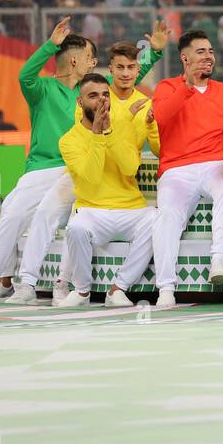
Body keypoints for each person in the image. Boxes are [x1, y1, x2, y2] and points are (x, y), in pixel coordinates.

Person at [6, 23, 165, 305]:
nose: (126, 74)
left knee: (84, 217)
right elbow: (88, 164)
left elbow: (133, 161)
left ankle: (79, 286)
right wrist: (103, 130)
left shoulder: (138, 104)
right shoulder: (97, 98)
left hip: (119, 188)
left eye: (131, 69)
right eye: (118, 68)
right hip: (80, 174)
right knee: (53, 214)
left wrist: (154, 53)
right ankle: (31, 283)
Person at [0, 19, 95, 303]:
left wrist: (154, 54)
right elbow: (25, 75)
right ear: (74, 60)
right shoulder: (42, 90)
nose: (93, 63)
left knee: (32, 213)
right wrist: (50, 45)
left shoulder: (89, 93)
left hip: (74, 170)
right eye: (89, 58)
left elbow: (127, 79)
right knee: (12, 212)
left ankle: (15, 281)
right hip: (41, 168)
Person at [50, 41, 163, 301]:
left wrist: (116, 127)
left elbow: (130, 167)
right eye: (94, 97)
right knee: (74, 227)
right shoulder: (69, 140)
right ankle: (79, 289)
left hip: (129, 207)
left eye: (104, 96)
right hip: (92, 208)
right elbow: (90, 174)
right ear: (81, 103)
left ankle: (119, 287)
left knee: (158, 219)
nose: (102, 101)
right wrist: (101, 134)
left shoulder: (130, 115)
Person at [149, 29, 223, 310]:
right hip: (178, 168)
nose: (208, 56)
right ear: (184, 58)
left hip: (216, 163)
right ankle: (165, 287)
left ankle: (219, 260)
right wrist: (187, 86)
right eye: (201, 51)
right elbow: (162, 118)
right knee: (167, 217)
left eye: (211, 51)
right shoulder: (166, 87)